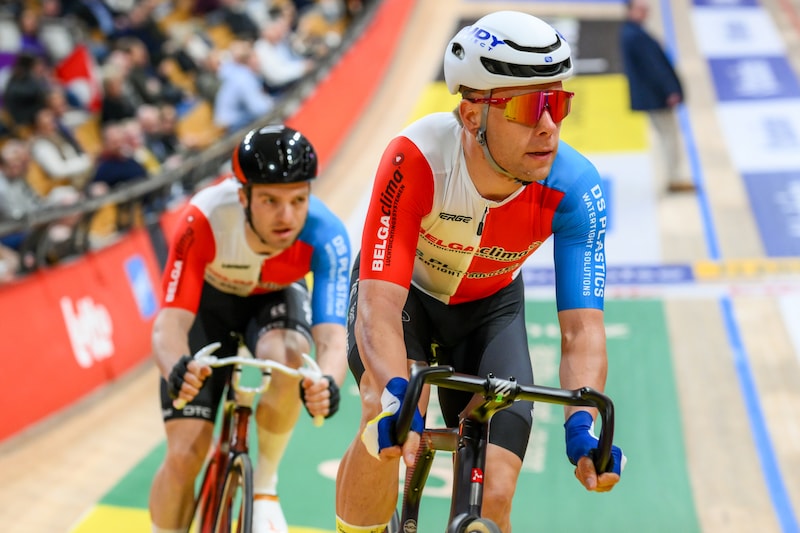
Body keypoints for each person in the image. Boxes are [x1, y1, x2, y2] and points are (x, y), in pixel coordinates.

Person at [334, 11, 626, 532]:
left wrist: (581, 426)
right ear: (471, 115)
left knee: (495, 493)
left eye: (557, 103)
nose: (548, 126)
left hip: (490, 312)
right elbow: (379, 306)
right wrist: (399, 397)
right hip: (407, 306)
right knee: (387, 416)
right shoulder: (415, 159)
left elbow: (582, 329)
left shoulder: (576, 185)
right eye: (527, 106)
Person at [149, 124, 351, 533]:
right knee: (186, 453)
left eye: (298, 200)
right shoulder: (203, 219)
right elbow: (169, 324)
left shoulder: (327, 234)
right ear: (243, 197)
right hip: (210, 306)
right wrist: (177, 368)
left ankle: (266, 487)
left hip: (274, 299)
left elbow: (332, 337)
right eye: (271, 201)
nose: (287, 216)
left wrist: (326, 382)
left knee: (291, 357)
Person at [620, 0, 694, 193]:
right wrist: (669, 90)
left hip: (652, 96)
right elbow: (654, 68)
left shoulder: (633, 33)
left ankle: (673, 176)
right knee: (668, 136)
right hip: (656, 97)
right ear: (631, 10)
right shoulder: (635, 36)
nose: (646, 12)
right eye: (641, 8)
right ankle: (674, 178)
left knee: (665, 135)